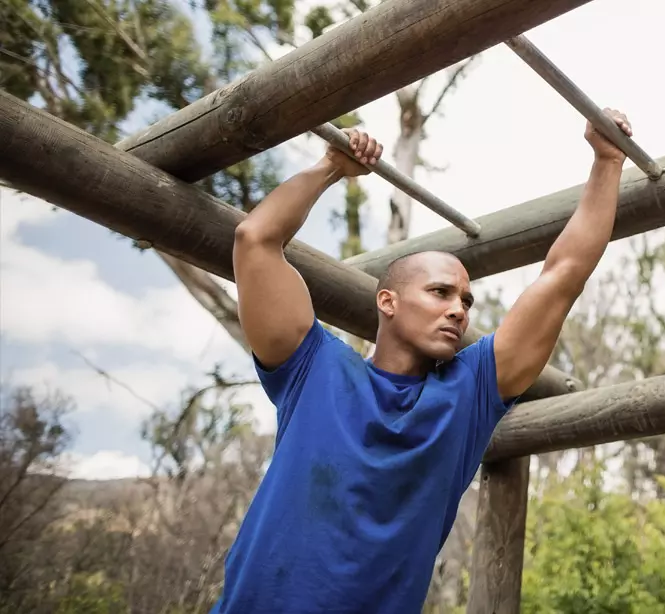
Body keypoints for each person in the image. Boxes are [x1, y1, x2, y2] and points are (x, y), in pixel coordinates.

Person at [212, 108, 634, 613]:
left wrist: (607, 162)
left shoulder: (468, 393)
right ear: (387, 302)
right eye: (440, 293)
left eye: (466, 301)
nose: (458, 309)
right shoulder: (313, 369)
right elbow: (254, 240)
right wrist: (332, 166)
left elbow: (562, 274)